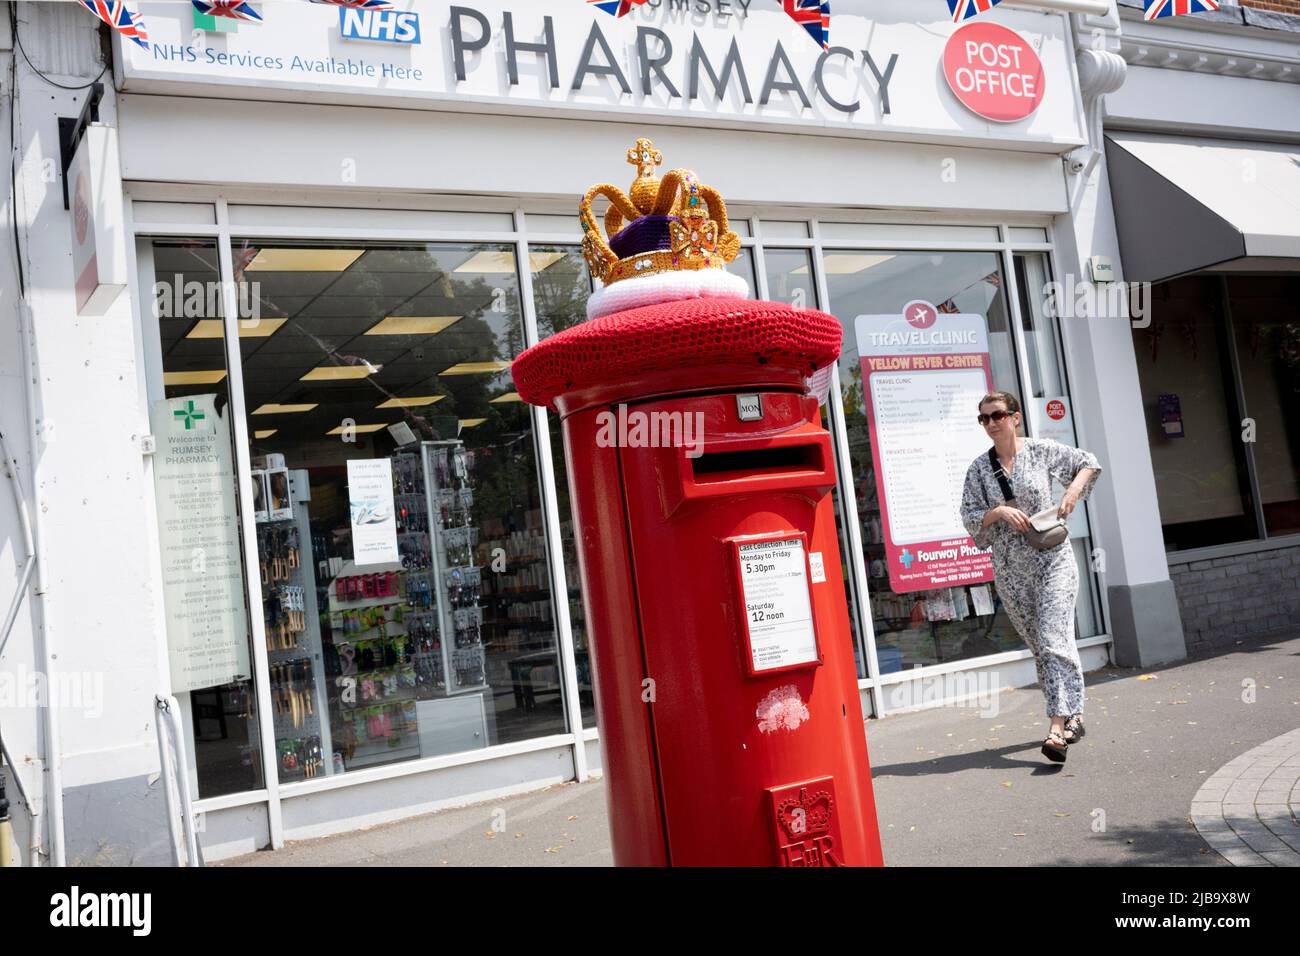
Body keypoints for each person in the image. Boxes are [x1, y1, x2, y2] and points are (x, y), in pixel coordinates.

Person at [959, 391, 1102, 763]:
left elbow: (1088, 463)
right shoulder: (978, 469)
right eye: (984, 419)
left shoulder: (1040, 451)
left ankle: (1056, 729)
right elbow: (970, 518)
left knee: (1054, 636)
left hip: (1053, 561)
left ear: (1015, 417)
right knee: (1043, 646)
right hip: (1011, 571)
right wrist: (998, 513)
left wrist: (1072, 490)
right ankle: (1074, 715)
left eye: (997, 415)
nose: (991, 423)